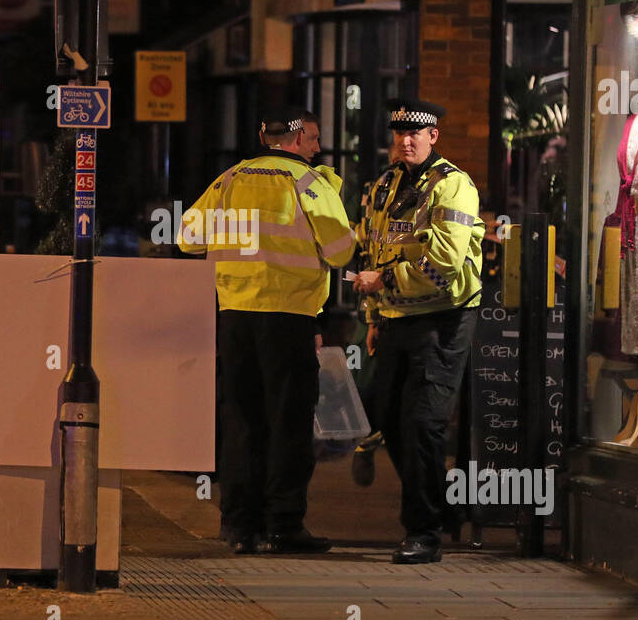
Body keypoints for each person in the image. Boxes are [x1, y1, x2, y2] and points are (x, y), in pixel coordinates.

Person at [179, 109, 356, 554]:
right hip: (288, 315)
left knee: (241, 420)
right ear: (295, 138)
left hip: (235, 316)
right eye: (313, 139)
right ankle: (283, 525)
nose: (317, 148)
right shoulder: (308, 183)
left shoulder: (230, 179)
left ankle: (239, 526)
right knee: (288, 423)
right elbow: (339, 251)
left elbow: (187, 236)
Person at [354, 99, 484, 563]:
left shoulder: (453, 186)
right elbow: (371, 248)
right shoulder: (385, 185)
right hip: (394, 319)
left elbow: (445, 263)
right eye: (399, 134)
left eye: (416, 134)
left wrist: (383, 281)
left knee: (424, 423)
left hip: (443, 317)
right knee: (388, 416)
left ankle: (423, 531)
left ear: (434, 137)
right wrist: (373, 313)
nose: (406, 141)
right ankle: (436, 508)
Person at [350, 133, 405, 487]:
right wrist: (371, 313)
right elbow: (367, 242)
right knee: (364, 381)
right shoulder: (378, 189)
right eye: (398, 147)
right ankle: (364, 440)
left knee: (394, 390)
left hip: (409, 305)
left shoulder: (437, 186)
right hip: (377, 302)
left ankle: (371, 440)